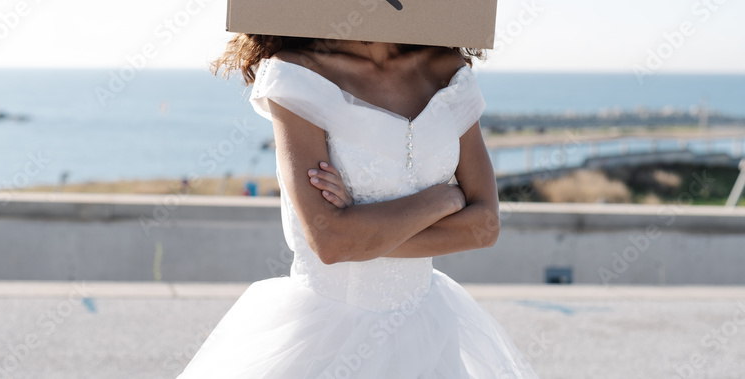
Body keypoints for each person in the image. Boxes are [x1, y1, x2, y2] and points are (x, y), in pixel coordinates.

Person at [176, 34, 540, 378]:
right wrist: (443, 199)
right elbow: (332, 243)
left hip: (429, 329)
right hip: (325, 336)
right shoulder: (296, 72)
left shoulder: (446, 69)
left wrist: (363, 228)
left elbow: (485, 226)